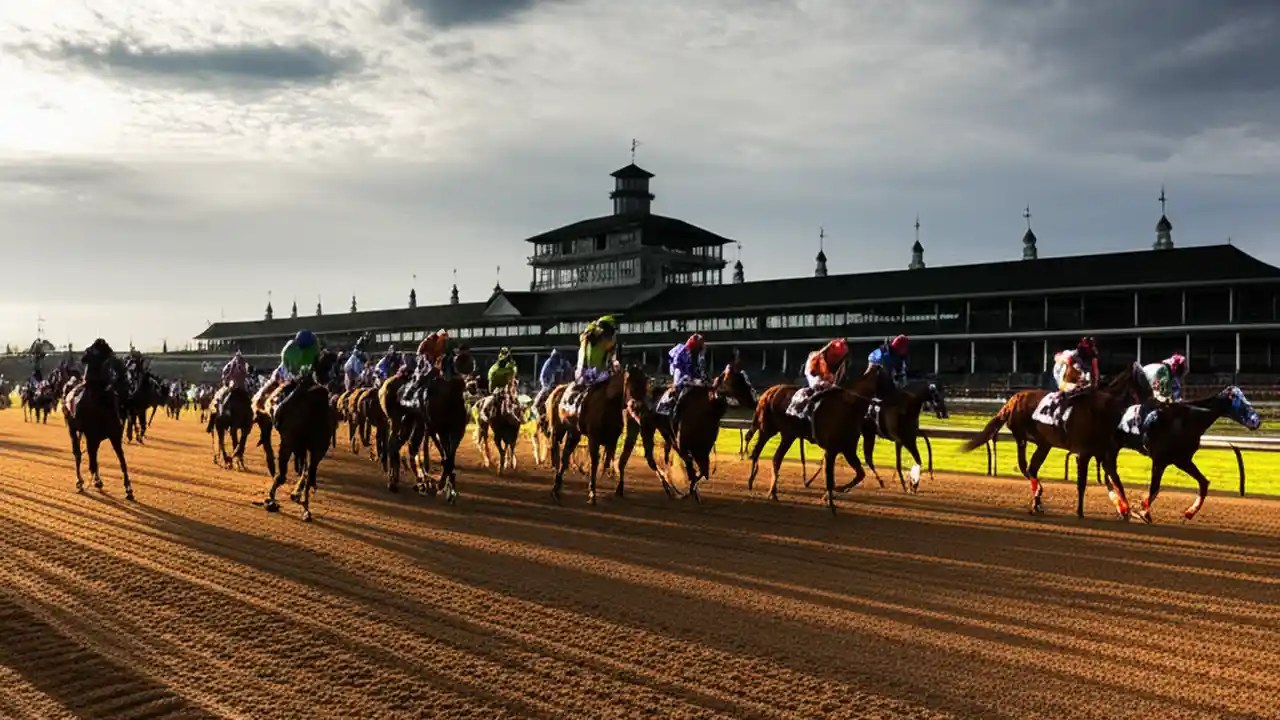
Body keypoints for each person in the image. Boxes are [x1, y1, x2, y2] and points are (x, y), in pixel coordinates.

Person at [564, 315, 619, 413]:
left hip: (601, 371)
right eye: (610, 332)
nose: (611, 336)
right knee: (581, 385)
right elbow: (583, 356)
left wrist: (615, 364)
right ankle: (572, 404)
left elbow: (612, 359)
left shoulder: (610, 344)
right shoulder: (589, 338)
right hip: (584, 370)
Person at [786, 338, 850, 419]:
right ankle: (803, 410)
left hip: (826, 381)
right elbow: (813, 373)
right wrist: (823, 382)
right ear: (829, 352)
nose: (837, 359)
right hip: (813, 376)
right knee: (817, 388)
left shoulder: (839, 362)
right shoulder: (815, 357)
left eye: (839, 357)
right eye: (835, 356)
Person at [267, 330, 320, 415]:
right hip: (287, 371)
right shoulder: (290, 350)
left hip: (303, 371)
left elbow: (315, 363)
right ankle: (278, 409)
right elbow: (292, 370)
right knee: (289, 388)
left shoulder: (313, 347)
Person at [657, 333, 707, 416]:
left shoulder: (699, 355)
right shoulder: (681, 349)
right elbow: (677, 363)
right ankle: (668, 406)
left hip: (693, 376)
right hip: (681, 373)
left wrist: (702, 376)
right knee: (680, 387)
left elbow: (699, 368)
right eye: (699, 346)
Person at [533, 348, 573, 418]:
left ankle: (541, 419)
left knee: (535, 406)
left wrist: (547, 386)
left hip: (556, 387)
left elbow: (543, 377)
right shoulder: (563, 363)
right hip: (557, 387)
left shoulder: (552, 362)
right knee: (536, 406)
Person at [212, 349, 249, 413]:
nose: (238, 358)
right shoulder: (231, 364)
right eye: (237, 356)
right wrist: (226, 378)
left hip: (241, 382)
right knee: (227, 391)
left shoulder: (244, 364)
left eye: (239, 356)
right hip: (233, 381)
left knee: (248, 389)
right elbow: (227, 372)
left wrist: (241, 368)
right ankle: (221, 405)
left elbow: (246, 372)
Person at [487, 347, 519, 412]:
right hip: (496, 385)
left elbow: (513, 372)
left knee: (516, 401)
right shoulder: (497, 365)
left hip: (505, 385)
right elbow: (492, 377)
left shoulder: (510, 363)